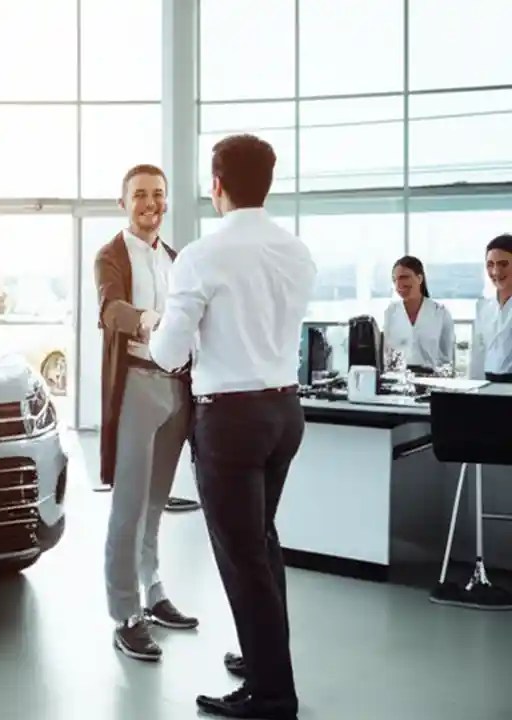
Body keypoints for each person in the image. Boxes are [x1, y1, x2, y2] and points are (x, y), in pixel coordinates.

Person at [149, 134, 315, 720]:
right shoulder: (297, 251)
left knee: (240, 555)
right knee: (262, 542)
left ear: (216, 185)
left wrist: (158, 325)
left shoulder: (201, 254)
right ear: (266, 183)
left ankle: (272, 694)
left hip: (232, 419)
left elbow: (169, 353)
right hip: (283, 412)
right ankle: (263, 654)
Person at [94, 163, 199, 663]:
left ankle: (152, 591)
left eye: (158, 194)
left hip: (176, 390)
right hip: (137, 385)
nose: (150, 203)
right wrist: (148, 320)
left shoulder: (176, 258)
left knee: (156, 503)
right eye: (139, 195)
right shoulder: (111, 255)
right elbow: (110, 310)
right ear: (123, 202)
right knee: (129, 506)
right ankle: (124, 614)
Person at [383, 255, 455, 372]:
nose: (399, 284)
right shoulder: (391, 312)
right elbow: (386, 355)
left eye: (404, 277)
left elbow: (448, 359)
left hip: (432, 380)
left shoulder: (440, 313)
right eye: (395, 279)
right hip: (399, 381)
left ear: (420, 278)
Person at [468, 234, 512, 383]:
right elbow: (477, 357)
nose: (496, 271)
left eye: (503, 264)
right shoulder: (484, 307)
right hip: (488, 387)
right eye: (490, 264)